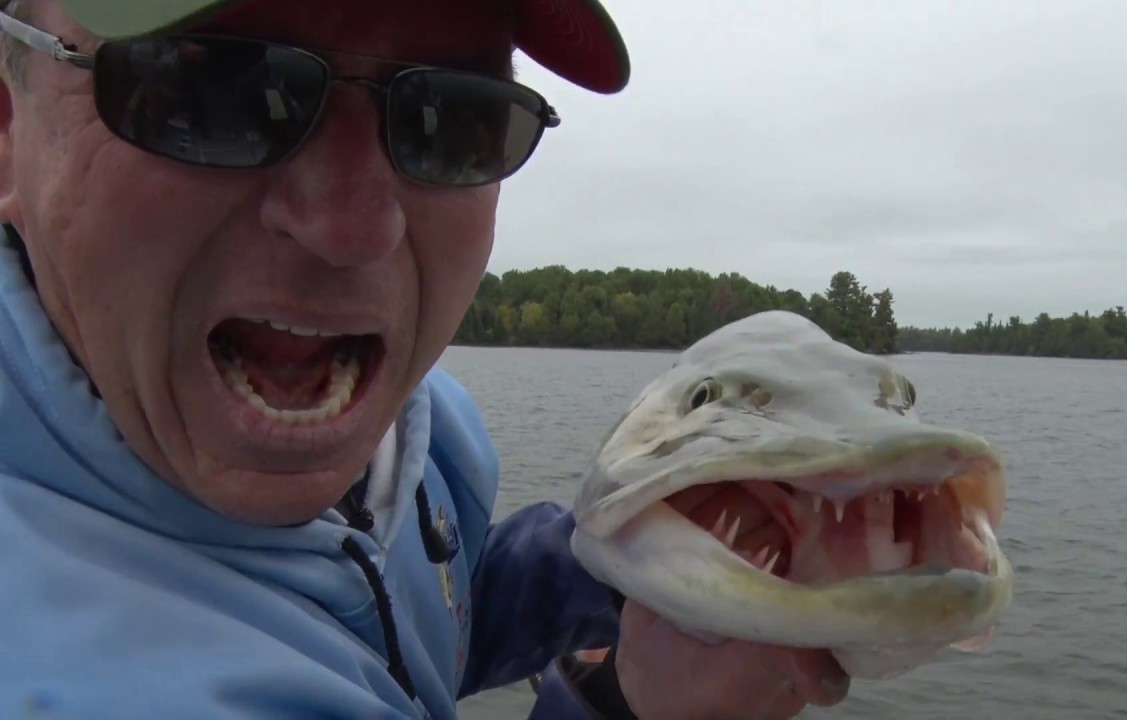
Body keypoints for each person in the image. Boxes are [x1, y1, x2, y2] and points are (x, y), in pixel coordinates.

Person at [0, 0, 852, 718]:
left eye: (453, 117)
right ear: (9, 123)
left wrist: (632, 556)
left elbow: (425, 602)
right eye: (217, 92)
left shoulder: (424, 437)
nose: (356, 228)